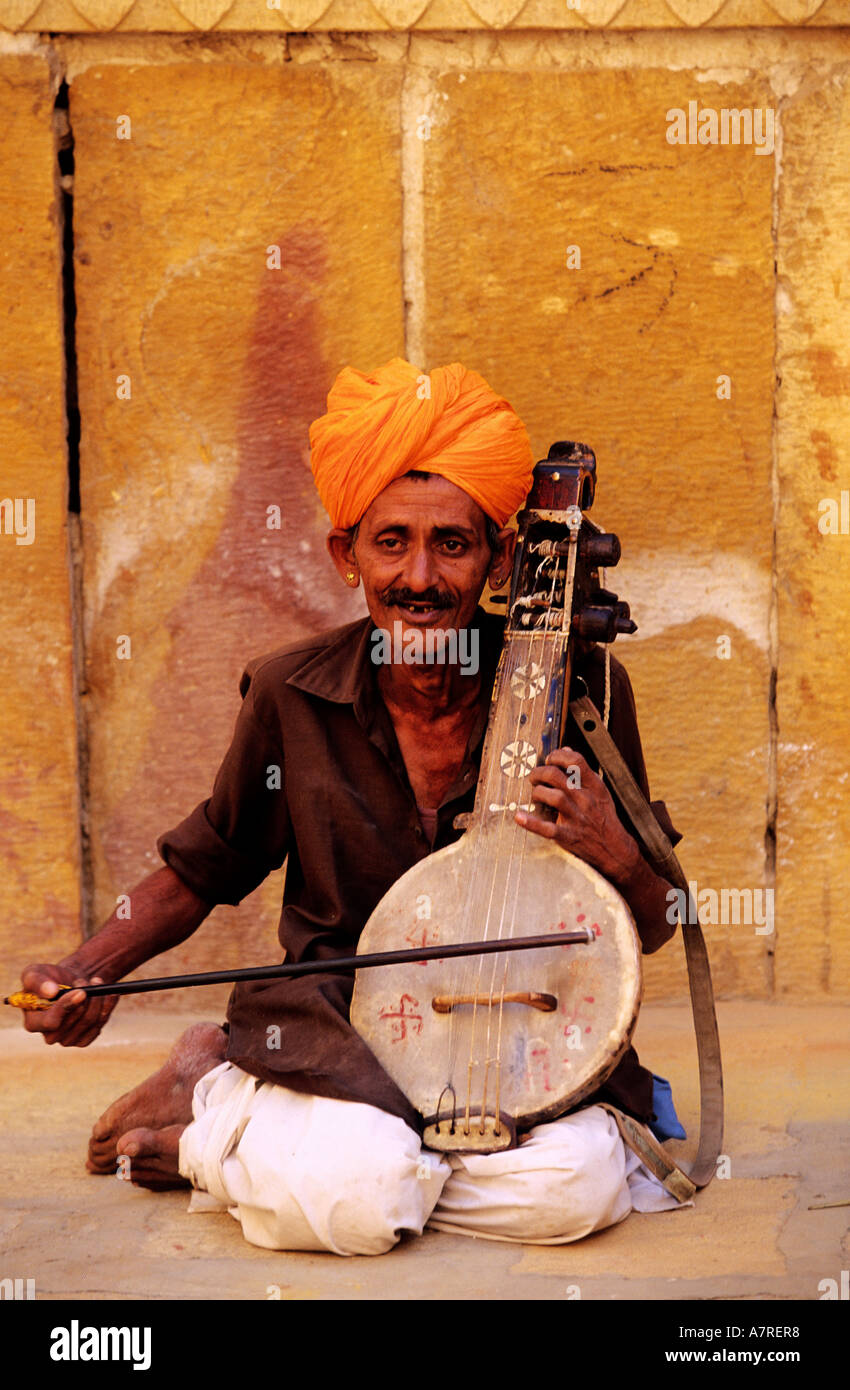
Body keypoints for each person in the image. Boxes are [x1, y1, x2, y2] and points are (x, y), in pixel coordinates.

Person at [19, 357, 684, 1255]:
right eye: (390, 542)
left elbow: (656, 922)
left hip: (523, 1032)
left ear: (497, 559)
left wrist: (616, 848)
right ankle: (230, 1100)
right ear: (347, 556)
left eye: (452, 543)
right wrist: (89, 967)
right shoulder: (291, 695)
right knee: (364, 1204)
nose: (420, 576)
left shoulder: (583, 687)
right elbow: (206, 863)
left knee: (565, 1195)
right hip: (338, 1027)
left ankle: (222, 1149)